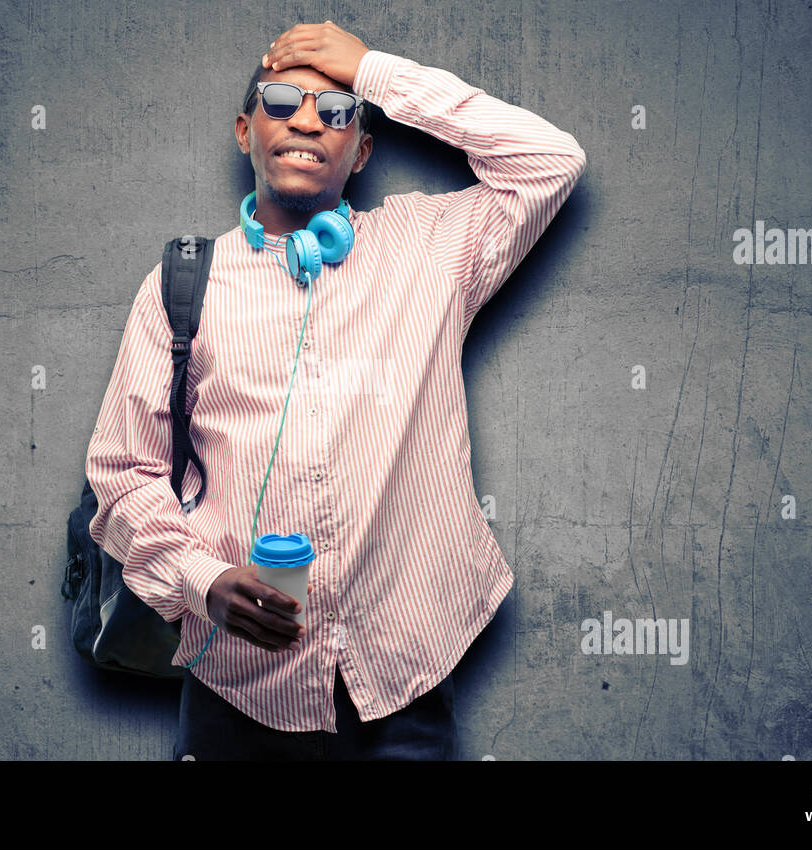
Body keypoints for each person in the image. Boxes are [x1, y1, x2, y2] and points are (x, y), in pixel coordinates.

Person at [86, 20, 586, 760]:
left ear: (363, 151)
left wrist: (375, 70)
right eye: (281, 101)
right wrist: (202, 579)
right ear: (243, 131)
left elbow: (552, 160)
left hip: (404, 680)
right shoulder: (181, 283)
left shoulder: (433, 249)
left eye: (338, 110)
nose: (308, 120)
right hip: (239, 689)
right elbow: (122, 475)